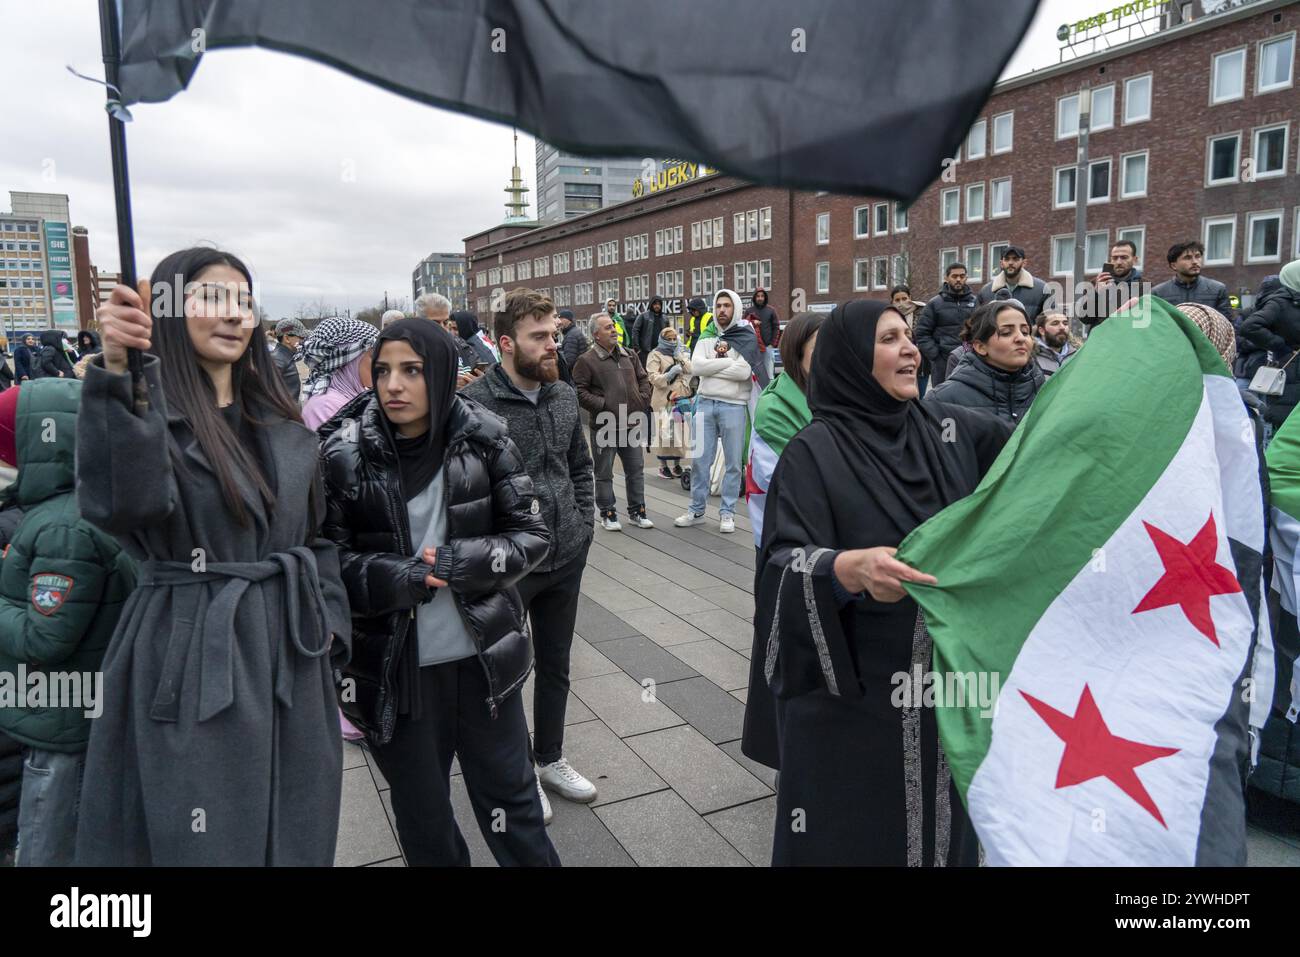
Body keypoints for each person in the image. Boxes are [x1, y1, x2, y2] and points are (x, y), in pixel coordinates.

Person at [74, 247, 352, 865]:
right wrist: (120, 376)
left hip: (291, 653)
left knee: (298, 827)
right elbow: (121, 504)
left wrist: (330, 624)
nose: (233, 315)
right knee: (203, 836)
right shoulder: (149, 415)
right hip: (195, 648)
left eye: (244, 301)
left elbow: (317, 537)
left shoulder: (285, 421)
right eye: (211, 298)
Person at [754, 299, 1012, 866]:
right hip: (856, 701)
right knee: (859, 834)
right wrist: (846, 570)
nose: (911, 348)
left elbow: (1041, 455)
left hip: (950, 687)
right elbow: (780, 564)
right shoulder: (813, 453)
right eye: (890, 338)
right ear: (850, 360)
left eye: (910, 335)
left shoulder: (952, 432)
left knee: (947, 835)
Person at [319, 318, 558, 866]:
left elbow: (533, 534)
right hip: (397, 673)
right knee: (423, 818)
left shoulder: (486, 437)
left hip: (484, 664)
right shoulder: (343, 452)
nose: (393, 385)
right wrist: (395, 576)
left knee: (512, 805)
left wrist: (464, 561)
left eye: (412, 370)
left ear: (444, 372)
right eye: (382, 371)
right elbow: (324, 559)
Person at [462, 289, 598, 824]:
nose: (552, 345)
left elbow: (579, 467)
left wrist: (583, 524)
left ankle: (550, 758)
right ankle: (518, 771)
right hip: (510, 566)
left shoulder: (563, 396)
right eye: (539, 337)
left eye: (555, 335)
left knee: (557, 665)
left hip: (567, 554)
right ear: (504, 343)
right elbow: (467, 493)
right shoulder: (476, 405)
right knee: (508, 672)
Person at [0, 379, 134, 867]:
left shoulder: (62, 527)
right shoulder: (81, 507)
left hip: (63, 719)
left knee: (50, 845)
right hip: (74, 712)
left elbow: (45, 638)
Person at [741, 311, 824, 774]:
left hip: (827, 549)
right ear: (796, 353)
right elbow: (785, 486)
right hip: (787, 551)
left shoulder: (837, 391)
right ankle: (783, 753)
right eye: (819, 350)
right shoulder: (777, 406)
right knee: (784, 648)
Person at [675, 288, 761, 534]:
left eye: (727, 305)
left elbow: (744, 372)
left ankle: (727, 513)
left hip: (733, 405)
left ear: (735, 308)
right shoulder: (707, 334)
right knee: (701, 460)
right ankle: (697, 509)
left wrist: (712, 367)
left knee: (734, 462)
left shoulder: (745, 335)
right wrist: (727, 363)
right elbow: (697, 367)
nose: (722, 310)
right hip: (705, 402)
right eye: (719, 305)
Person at [573, 312, 654, 531]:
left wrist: (643, 400)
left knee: (636, 470)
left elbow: (643, 378)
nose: (614, 330)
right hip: (605, 425)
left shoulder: (629, 355)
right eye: (608, 327)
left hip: (632, 423)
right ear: (596, 334)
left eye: (614, 326)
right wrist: (603, 405)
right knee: (604, 473)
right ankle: (608, 513)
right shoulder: (586, 360)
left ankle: (638, 512)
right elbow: (579, 392)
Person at [926, 300, 1044, 424]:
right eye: (1006, 333)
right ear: (981, 347)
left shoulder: (1046, 391)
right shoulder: (942, 400)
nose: (1021, 338)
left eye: (1025, 332)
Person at [1241, 259, 1300, 432]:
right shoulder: (1281, 302)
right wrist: (1281, 347)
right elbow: (1250, 327)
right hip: (1289, 373)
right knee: (1285, 426)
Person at [300, 318, 378, 431]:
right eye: (373, 356)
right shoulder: (324, 406)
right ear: (349, 358)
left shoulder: (353, 394)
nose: (380, 364)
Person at [915, 262, 977, 387]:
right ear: (946, 278)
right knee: (942, 400)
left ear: (966, 278)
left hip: (970, 360)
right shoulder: (935, 304)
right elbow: (921, 333)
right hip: (942, 363)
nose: (958, 279)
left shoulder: (976, 302)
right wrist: (936, 356)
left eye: (962, 276)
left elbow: (982, 329)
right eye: (954, 276)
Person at [644, 324, 693, 478]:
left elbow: (690, 370)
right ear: (662, 339)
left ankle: (676, 464)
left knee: (679, 431)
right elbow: (652, 377)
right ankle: (662, 465)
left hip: (679, 398)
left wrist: (680, 356)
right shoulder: (655, 354)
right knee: (665, 432)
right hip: (663, 398)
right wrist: (669, 374)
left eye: (674, 339)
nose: (672, 341)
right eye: (669, 339)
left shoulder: (678, 352)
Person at [1151, 241, 1235, 319]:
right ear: (1174, 265)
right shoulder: (1158, 293)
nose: (1195, 262)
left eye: (1198, 256)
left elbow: (1226, 324)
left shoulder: (1218, 289)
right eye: (1187, 258)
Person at [1075, 239, 1144, 329]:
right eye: (1115, 258)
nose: (1119, 262)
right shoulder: (1095, 283)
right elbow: (1085, 319)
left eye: (1124, 257)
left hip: (1131, 340)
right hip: (1102, 340)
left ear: (1135, 260)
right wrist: (1096, 294)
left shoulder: (1144, 285)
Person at [976, 246, 1053, 323]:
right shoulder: (986, 291)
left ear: (1024, 263)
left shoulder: (1042, 289)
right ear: (1001, 263)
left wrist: (1031, 332)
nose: (1010, 263)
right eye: (1006, 259)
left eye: (1015, 259)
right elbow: (978, 322)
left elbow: (1050, 320)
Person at [891, 285, 929, 396]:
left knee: (920, 395)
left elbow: (927, 333)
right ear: (892, 301)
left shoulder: (922, 311)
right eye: (897, 300)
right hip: (898, 361)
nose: (901, 303)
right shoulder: (889, 315)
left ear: (910, 297)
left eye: (904, 298)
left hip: (921, 361)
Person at [746, 287, 781, 382]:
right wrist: (752, 322)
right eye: (758, 296)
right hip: (753, 348)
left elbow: (776, 327)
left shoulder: (771, 310)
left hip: (767, 348)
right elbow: (743, 326)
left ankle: (768, 394)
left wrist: (772, 344)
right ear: (754, 297)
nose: (760, 298)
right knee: (753, 374)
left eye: (762, 296)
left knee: (769, 374)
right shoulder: (749, 311)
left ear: (765, 297)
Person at [1032, 310, 1076, 377]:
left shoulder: (1078, 354)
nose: (1062, 327)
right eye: (1055, 323)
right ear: (1042, 331)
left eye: (1065, 323)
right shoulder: (1030, 357)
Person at [271, 317, 306, 402]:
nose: (304, 340)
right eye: (301, 337)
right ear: (287, 338)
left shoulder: (285, 357)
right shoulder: (278, 360)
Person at [632, 295, 667, 370]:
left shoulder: (665, 318)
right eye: (655, 304)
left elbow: (668, 333)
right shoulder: (643, 316)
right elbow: (635, 331)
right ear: (651, 304)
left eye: (659, 304)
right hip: (646, 351)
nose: (657, 306)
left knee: (659, 372)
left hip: (661, 351)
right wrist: (637, 349)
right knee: (646, 372)